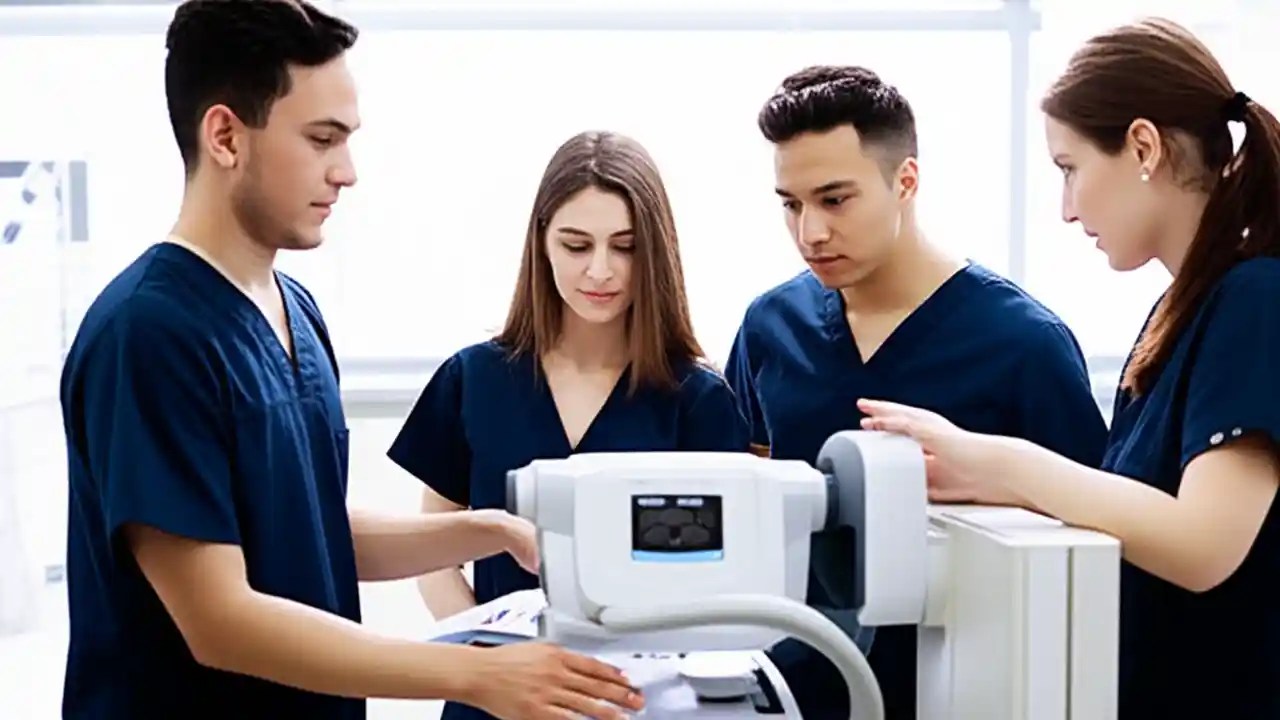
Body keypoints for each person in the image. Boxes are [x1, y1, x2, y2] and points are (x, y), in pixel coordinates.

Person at [57, 2, 643, 719]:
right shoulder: (148, 334)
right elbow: (220, 620)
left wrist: (488, 530)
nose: (347, 172)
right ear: (224, 136)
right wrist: (473, 675)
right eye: (322, 139)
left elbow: (310, 528)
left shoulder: (293, 309)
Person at [858, 16, 1280, 720]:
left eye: (1070, 168)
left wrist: (1006, 464)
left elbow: (1205, 544)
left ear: (1142, 146)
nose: (1063, 208)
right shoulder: (1177, 319)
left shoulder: (1256, 299)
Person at [724, 65, 1110, 720]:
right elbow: (745, 499)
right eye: (791, 204)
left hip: (969, 689)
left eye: (835, 199)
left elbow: (1091, 556)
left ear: (906, 181)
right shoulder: (770, 327)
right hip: (786, 689)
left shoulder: (1023, 344)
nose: (810, 231)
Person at [387, 130, 752, 720]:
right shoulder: (473, 380)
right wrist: (487, 665)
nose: (601, 271)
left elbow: (723, 586)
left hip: (639, 701)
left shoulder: (698, 400)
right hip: (495, 698)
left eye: (625, 246)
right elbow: (434, 554)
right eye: (577, 245)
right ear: (542, 244)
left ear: (654, 251)